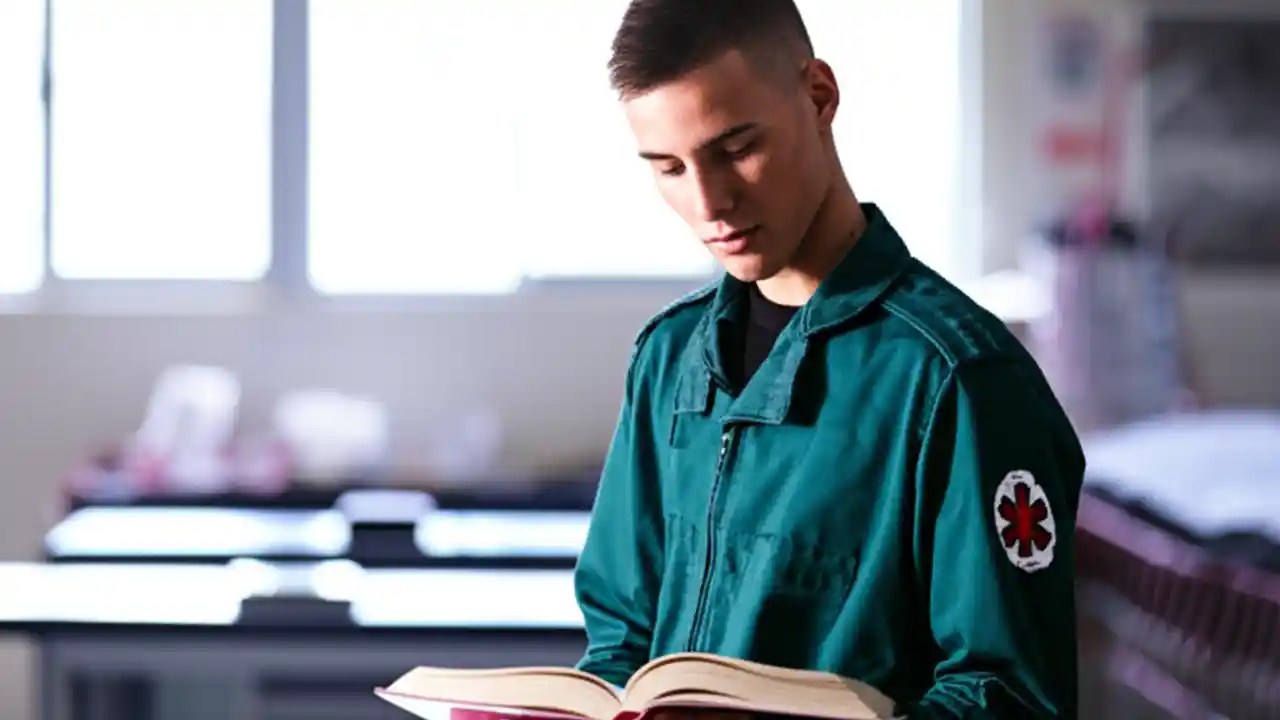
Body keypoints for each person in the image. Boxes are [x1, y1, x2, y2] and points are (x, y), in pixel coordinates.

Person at [572, 1, 1085, 717]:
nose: (709, 203)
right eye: (668, 167)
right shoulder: (667, 359)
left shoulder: (957, 380)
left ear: (818, 97)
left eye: (735, 149)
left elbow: (1010, 697)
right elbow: (620, 640)